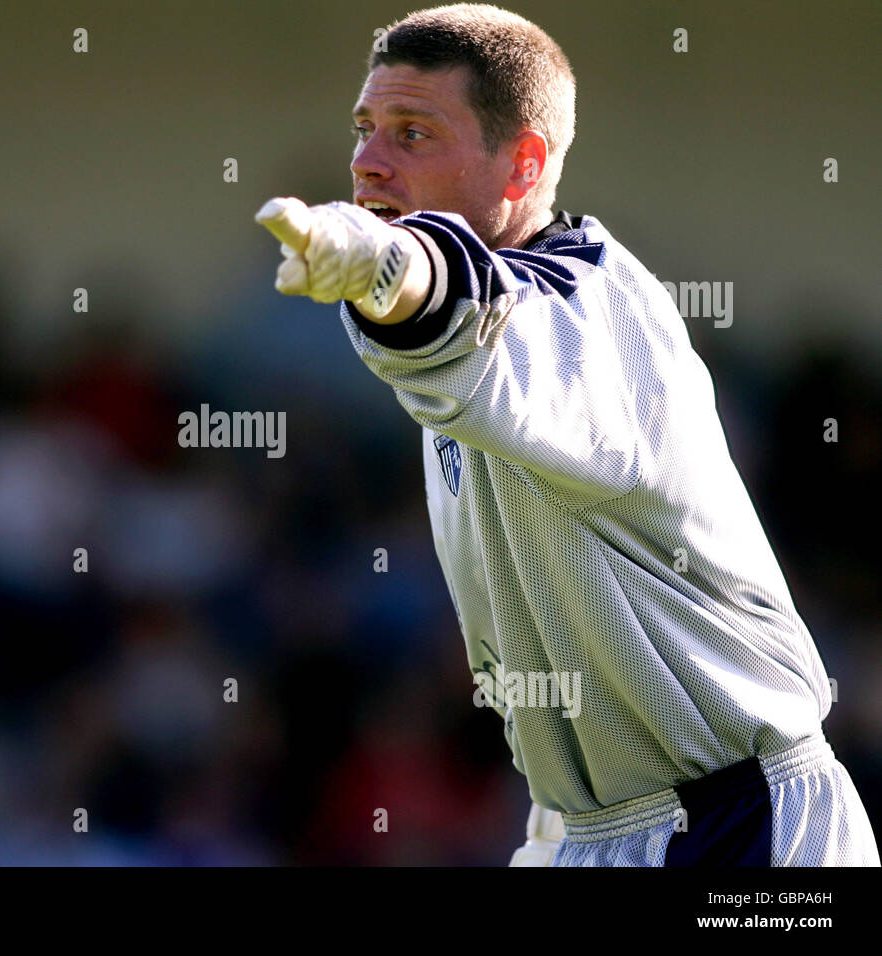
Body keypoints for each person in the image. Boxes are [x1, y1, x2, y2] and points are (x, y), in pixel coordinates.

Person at [255, 3, 879, 866]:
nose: (367, 160)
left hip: (745, 828)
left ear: (524, 164)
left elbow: (469, 307)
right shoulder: (493, 337)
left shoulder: (591, 314)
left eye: (412, 132)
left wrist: (383, 263)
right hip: (599, 830)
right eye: (365, 128)